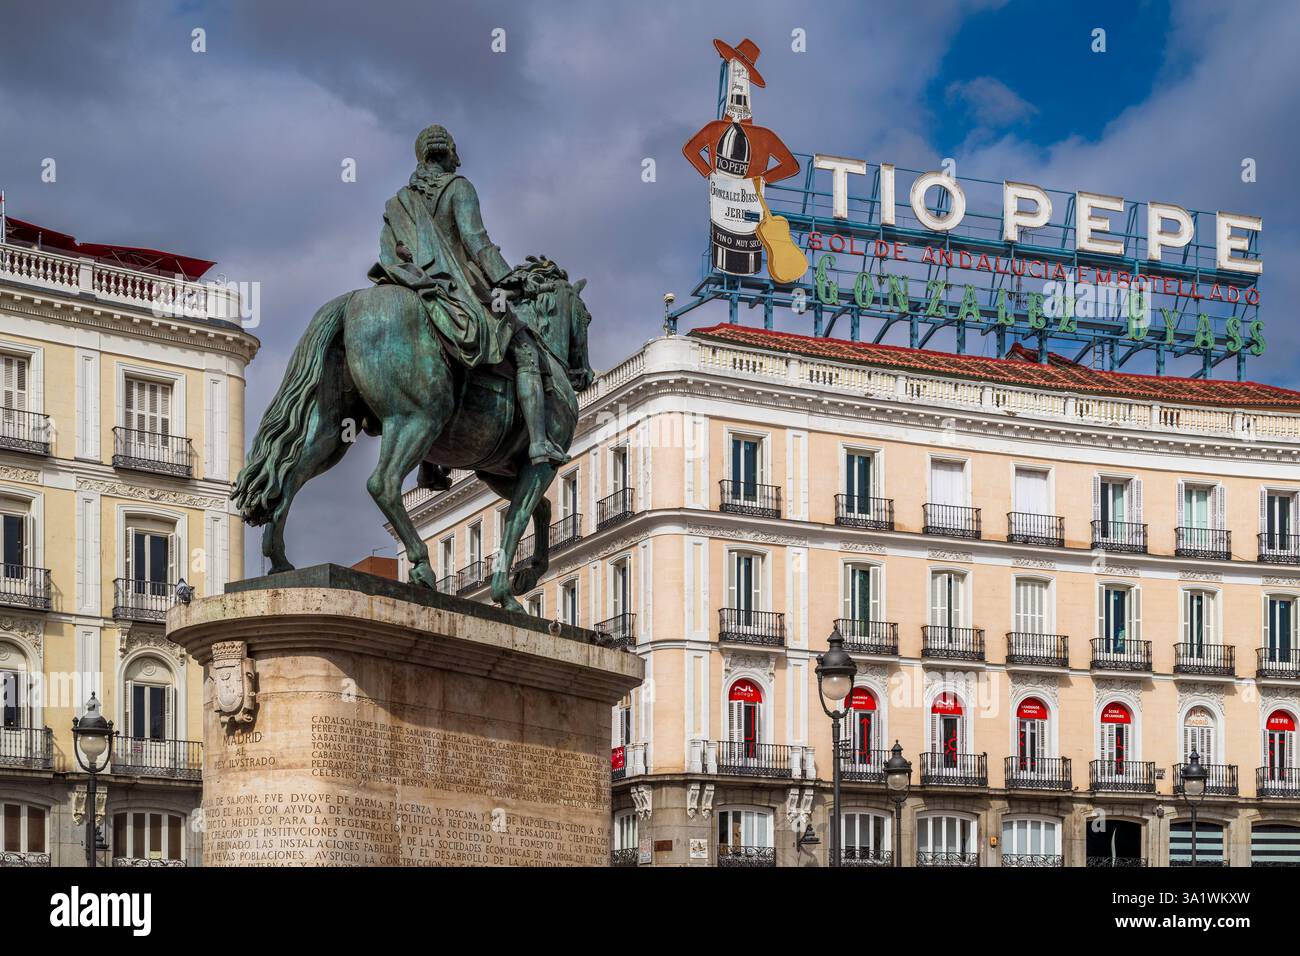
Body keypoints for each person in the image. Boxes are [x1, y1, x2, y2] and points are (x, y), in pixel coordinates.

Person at [367, 124, 570, 490]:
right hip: (459, 290)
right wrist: (510, 280)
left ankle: (428, 463)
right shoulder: (459, 188)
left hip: (412, 286)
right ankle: (539, 441)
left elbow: (390, 250)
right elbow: (477, 242)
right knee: (526, 349)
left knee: (428, 373)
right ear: (449, 154)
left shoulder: (399, 201)